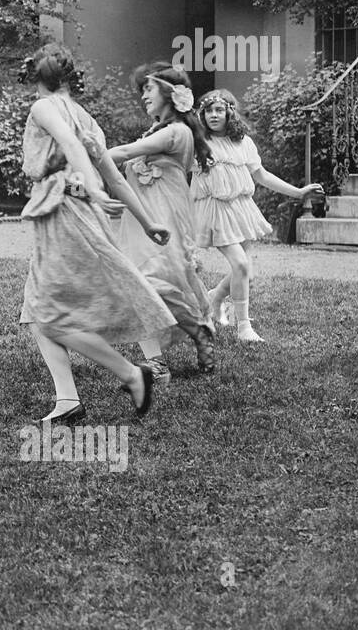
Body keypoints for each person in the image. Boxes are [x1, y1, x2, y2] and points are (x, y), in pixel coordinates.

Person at [18, 47, 175, 422]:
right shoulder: (87, 118)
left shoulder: (44, 107)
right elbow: (115, 175)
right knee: (37, 310)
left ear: (36, 78)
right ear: (71, 78)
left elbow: (74, 150)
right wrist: (147, 220)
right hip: (77, 212)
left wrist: (93, 189)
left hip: (65, 212)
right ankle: (67, 401)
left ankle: (131, 374)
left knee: (51, 316)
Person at [107, 65, 216, 381]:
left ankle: (198, 330)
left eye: (148, 89)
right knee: (137, 287)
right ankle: (156, 361)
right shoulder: (155, 132)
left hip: (166, 223)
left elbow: (124, 153)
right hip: (142, 226)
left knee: (161, 285)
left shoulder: (177, 132)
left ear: (169, 93)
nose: (143, 96)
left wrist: (86, 151)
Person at [193, 88, 324, 342]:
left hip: (241, 208)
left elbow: (262, 175)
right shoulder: (198, 144)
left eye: (219, 110)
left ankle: (215, 298)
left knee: (244, 270)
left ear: (230, 113)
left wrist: (298, 193)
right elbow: (175, 169)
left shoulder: (243, 143)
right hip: (215, 209)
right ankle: (244, 328)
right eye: (208, 111)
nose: (213, 115)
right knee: (241, 264)